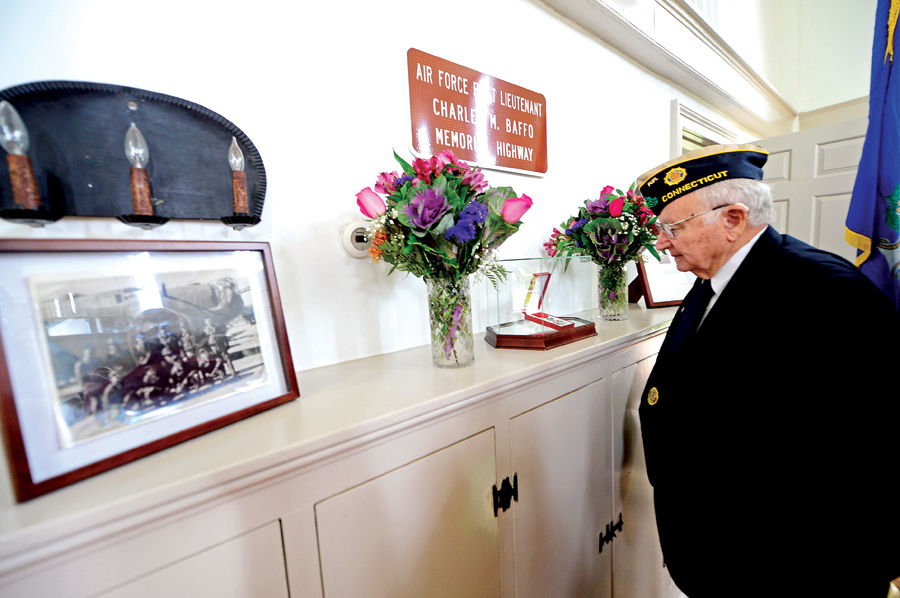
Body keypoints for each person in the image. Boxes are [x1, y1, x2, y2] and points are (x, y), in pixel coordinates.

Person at [635, 144, 899, 597]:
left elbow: (878, 439)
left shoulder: (825, 291)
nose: (660, 242)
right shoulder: (709, 280)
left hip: (795, 564)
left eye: (672, 227)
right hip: (721, 555)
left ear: (733, 220)